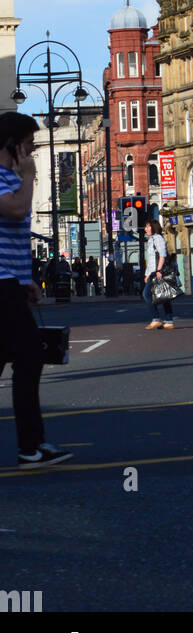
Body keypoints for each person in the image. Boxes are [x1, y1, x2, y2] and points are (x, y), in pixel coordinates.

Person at [0, 112, 73, 468]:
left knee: (20, 359)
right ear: (12, 143)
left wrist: (24, 279)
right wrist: (28, 177)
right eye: (29, 143)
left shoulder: (9, 177)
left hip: (8, 283)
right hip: (0, 288)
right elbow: (15, 211)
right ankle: (31, 446)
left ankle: (34, 444)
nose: (32, 150)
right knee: (28, 358)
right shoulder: (4, 179)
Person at [144, 219, 175, 329]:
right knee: (163, 296)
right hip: (153, 272)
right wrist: (147, 274)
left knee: (146, 295)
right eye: (145, 227)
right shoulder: (151, 239)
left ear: (153, 227)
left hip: (157, 272)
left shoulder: (157, 238)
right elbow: (151, 259)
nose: (145, 229)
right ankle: (169, 321)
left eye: (148, 227)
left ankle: (156, 318)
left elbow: (162, 255)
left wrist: (158, 270)